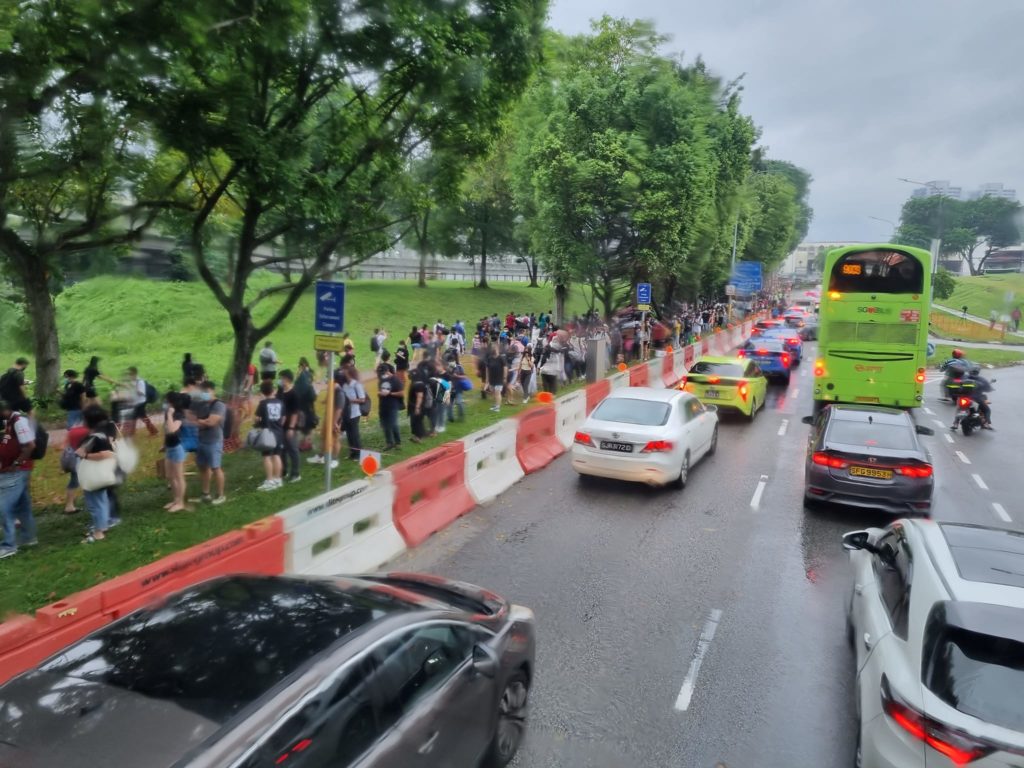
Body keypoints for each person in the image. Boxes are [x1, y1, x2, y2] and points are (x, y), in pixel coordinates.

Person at [0, 399, 38, 558]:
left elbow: (30, 445)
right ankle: (28, 537)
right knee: (22, 505)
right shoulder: (7, 422)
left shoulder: (18, 421)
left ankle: (9, 545)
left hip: (16, 471)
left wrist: (16, 463)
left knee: (3, 507)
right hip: (11, 470)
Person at [76, 405, 118, 544]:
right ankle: (100, 527)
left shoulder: (97, 438)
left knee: (96, 504)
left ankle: (99, 532)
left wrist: (85, 455)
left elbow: (108, 454)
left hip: (96, 477)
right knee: (99, 502)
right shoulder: (96, 435)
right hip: (95, 476)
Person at [193, 381, 227, 504]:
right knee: (203, 467)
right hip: (201, 440)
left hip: (214, 440)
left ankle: (221, 495)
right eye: (202, 392)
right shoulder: (201, 405)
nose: (204, 394)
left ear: (213, 391)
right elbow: (194, 421)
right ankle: (205, 494)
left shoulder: (219, 405)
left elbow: (212, 422)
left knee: (216, 467)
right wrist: (203, 421)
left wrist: (200, 421)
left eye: (206, 392)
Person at [308, 372, 344, 468]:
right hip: (328, 418)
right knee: (324, 437)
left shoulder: (339, 392)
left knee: (335, 439)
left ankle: (335, 459)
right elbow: (328, 400)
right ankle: (322, 456)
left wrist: (334, 423)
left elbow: (339, 409)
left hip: (335, 419)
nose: (327, 382)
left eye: (328, 379)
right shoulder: (332, 390)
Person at [254, 380, 285, 490]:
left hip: (267, 433)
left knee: (267, 456)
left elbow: (257, 418)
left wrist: (257, 424)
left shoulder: (263, 404)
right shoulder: (280, 402)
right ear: (273, 390)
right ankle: (278, 479)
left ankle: (269, 480)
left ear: (262, 392)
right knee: (277, 455)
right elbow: (283, 419)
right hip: (279, 432)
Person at [162, 391, 189, 512]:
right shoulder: (168, 414)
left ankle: (181, 502)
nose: (165, 404)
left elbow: (172, 429)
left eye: (167, 401)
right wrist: (164, 445)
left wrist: (169, 414)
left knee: (178, 476)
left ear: (172, 403)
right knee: (170, 476)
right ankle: (175, 499)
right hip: (169, 447)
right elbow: (167, 431)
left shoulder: (178, 415)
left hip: (178, 448)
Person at [277, 369, 301, 483]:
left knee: (292, 449)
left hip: (290, 426)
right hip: (280, 425)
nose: (280, 380)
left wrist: (291, 427)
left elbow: (295, 412)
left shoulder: (294, 393)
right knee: (282, 450)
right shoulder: (280, 391)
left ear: (286, 379)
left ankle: (295, 473)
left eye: (281, 378)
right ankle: (283, 471)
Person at [340, 368, 367, 460]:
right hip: (346, 413)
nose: (344, 374)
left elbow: (362, 399)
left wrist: (350, 400)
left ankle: (358, 454)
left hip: (354, 413)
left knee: (355, 435)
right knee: (349, 435)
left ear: (350, 374)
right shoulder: (344, 385)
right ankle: (352, 453)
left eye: (346, 373)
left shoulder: (356, 385)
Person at [124, 367, 159, 437]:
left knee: (141, 417)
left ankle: (153, 431)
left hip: (141, 402)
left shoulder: (140, 382)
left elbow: (141, 393)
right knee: (135, 417)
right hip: (136, 403)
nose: (129, 376)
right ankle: (132, 432)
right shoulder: (132, 381)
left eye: (130, 374)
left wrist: (132, 388)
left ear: (134, 374)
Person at [378, 367, 404, 450]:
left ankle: (398, 442)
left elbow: (401, 393)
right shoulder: (382, 380)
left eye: (383, 374)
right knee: (385, 425)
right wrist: (380, 393)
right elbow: (379, 391)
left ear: (387, 371)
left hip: (393, 405)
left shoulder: (396, 380)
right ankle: (389, 442)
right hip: (383, 405)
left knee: (393, 424)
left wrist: (390, 393)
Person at [408, 365, 430, 443]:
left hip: (417, 406)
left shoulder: (418, 384)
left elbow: (419, 397)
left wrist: (417, 408)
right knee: (415, 421)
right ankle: (418, 435)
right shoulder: (417, 382)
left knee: (417, 422)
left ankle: (418, 437)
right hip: (414, 406)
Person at [485, 345, 508, 413]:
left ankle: (498, 407)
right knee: (493, 392)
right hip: (492, 379)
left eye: (495, 349)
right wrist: (487, 379)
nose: (494, 350)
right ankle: (495, 405)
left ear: (498, 350)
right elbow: (487, 369)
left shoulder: (501, 358)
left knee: (497, 392)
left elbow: (505, 368)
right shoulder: (490, 358)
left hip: (499, 379)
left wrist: (504, 377)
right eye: (493, 349)